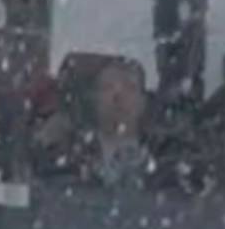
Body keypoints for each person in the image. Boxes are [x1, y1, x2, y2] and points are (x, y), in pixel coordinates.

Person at [32, 56, 155, 188]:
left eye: (130, 87)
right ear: (94, 100)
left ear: (144, 101)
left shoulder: (164, 155)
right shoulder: (70, 153)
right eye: (108, 87)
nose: (118, 95)